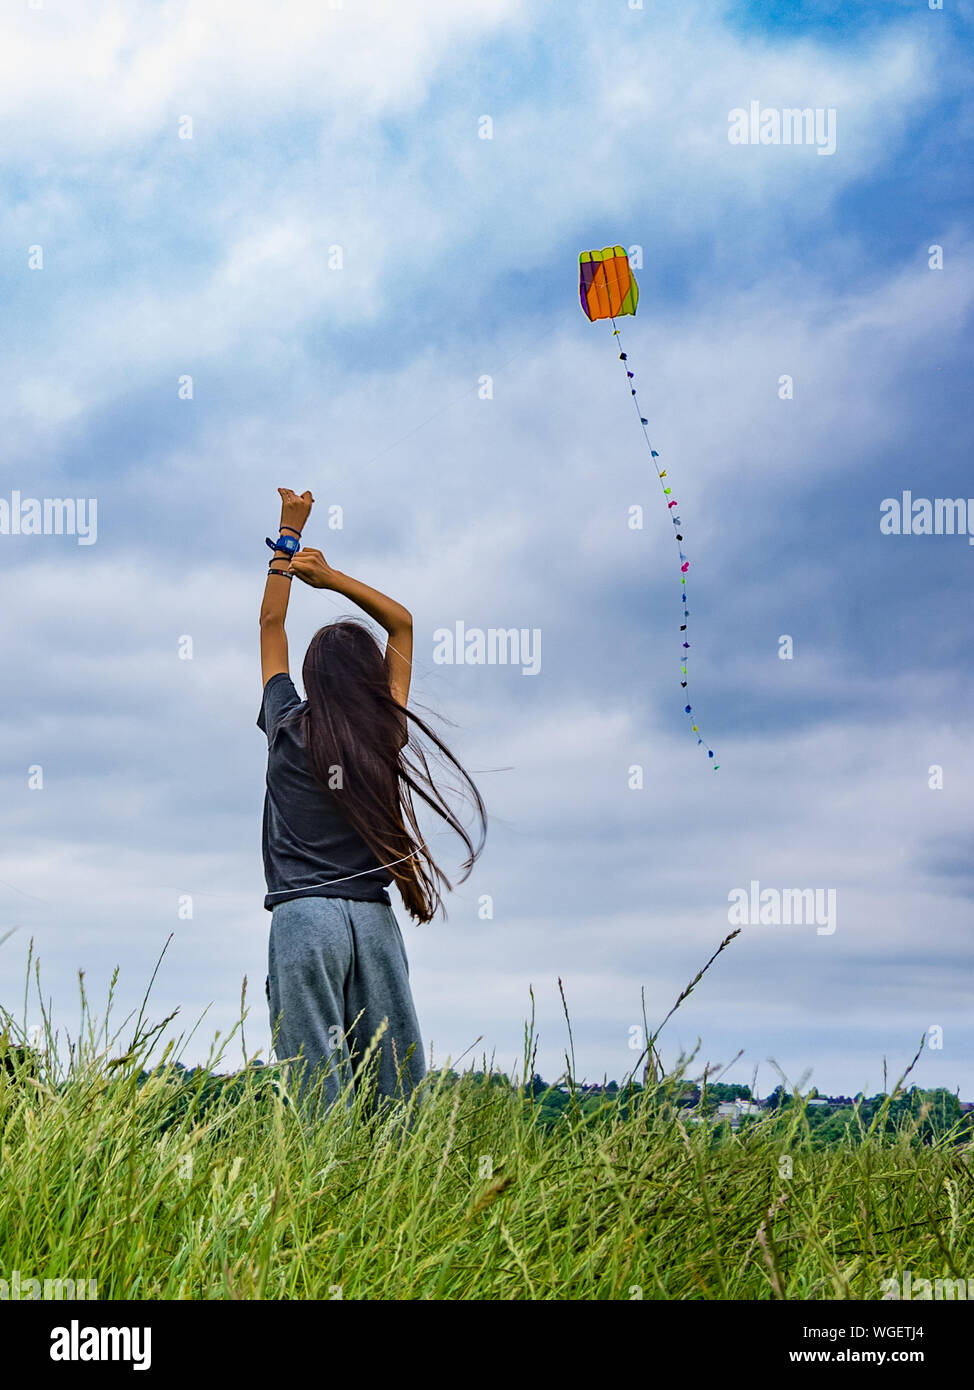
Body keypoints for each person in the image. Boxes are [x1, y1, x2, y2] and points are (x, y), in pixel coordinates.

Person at [257, 488, 486, 1115]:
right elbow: (403, 622)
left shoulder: (285, 725)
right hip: (372, 923)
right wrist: (330, 579)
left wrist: (287, 538)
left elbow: (270, 624)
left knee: (317, 1098)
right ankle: (398, 1202)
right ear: (368, 680)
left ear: (307, 678)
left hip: (304, 921)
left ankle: (323, 1206)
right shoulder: (384, 731)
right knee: (397, 1101)